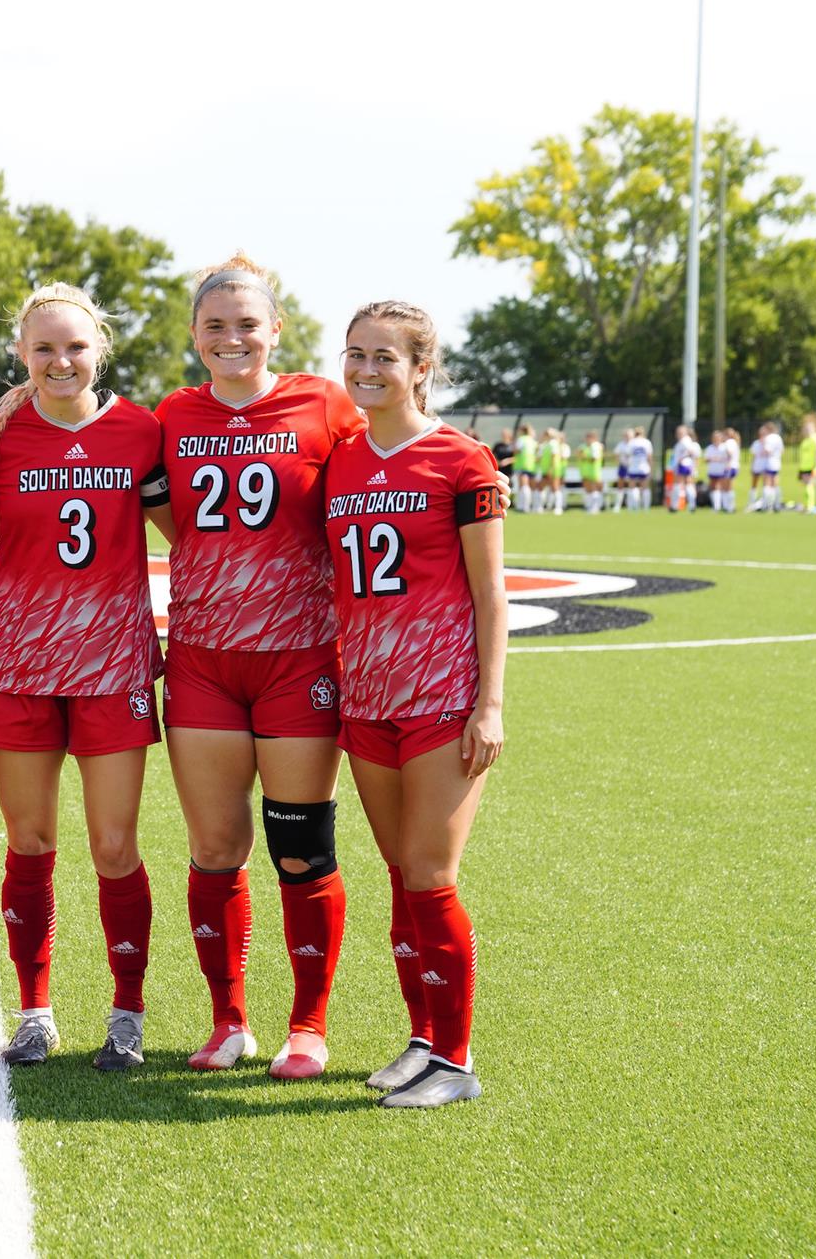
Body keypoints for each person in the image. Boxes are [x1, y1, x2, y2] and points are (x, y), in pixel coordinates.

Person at [152, 253, 362, 1078]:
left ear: (276, 329)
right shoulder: (172, 415)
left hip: (298, 655)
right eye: (216, 326)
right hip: (203, 656)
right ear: (196, 337)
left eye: (248, 323)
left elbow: (371, 475)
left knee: (301, 845)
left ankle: (307, 1025)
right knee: (214, 845)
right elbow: (170, 516)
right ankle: (228, 1018)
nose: (233, 337)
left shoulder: (322, 402)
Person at [0, 282, 171, 1071]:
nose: (60, 361)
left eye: (75, 347)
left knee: (115, 844)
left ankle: (127, 1012)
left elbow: (186, 534)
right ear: (22, 354)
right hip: (18, 661)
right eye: (43, 348)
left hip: (111, 659)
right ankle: (36, 1010)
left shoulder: (138, 431)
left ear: (99, 351)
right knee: (30, 841)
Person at [328, 300, 505, 1109]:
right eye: (355, 353)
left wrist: (490, 702)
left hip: (440, 695)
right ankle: (425, 1039)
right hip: (367, 695)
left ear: (421, 368)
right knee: (401, 876)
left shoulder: (462, 460)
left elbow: (490, 592)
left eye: (385, 357)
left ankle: (459, 1061)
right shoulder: (340, 460)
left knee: (432, 877)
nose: (367, 369)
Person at [796, 419, 816, 513]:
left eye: (808, 428)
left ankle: (810, 506)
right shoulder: (805, 440)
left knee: (809, 485)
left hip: (812, 466)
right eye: (805, 429)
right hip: (804, 467)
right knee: (806, 486)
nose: (806, 430)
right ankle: (807, 505)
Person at [669, 425, 700, 513]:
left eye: (680, 432)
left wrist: (681, 459)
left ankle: (675, 506)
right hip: (687, 465)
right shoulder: (684, 441)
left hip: (683, 465)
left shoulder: (685, 441)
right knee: (688, 485)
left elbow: (691, 452)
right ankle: (691, 505)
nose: (678, 434)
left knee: (678, 484)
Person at [626, 428, 655, 509]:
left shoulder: (631, 442)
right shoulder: (647, 442)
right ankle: (646, 507)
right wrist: (651, 469)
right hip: (644, 468)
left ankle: (633, 507)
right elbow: (649, 457)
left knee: (632, 487)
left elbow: (628, 456)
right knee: (645, 488)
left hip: (633, 468)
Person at [512, 426, 539, 513]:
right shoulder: (533, 441)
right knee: (533, 487)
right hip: (532, 466)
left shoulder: (521, 439)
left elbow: (516, 451)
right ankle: (536, 507)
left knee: (523, 486)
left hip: (522, 465)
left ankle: (524, 507)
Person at [577, 430, 605, 513]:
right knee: (587, 489)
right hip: (584, 471)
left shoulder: (596, 446)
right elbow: (578, 454)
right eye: (587, 437)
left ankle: (596, 507)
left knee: (594, 488)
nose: (588, 439)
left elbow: (594, 459)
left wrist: (584, 457)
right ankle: (589, 506)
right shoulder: (583, 446)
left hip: (594, 471)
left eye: (590, 437)